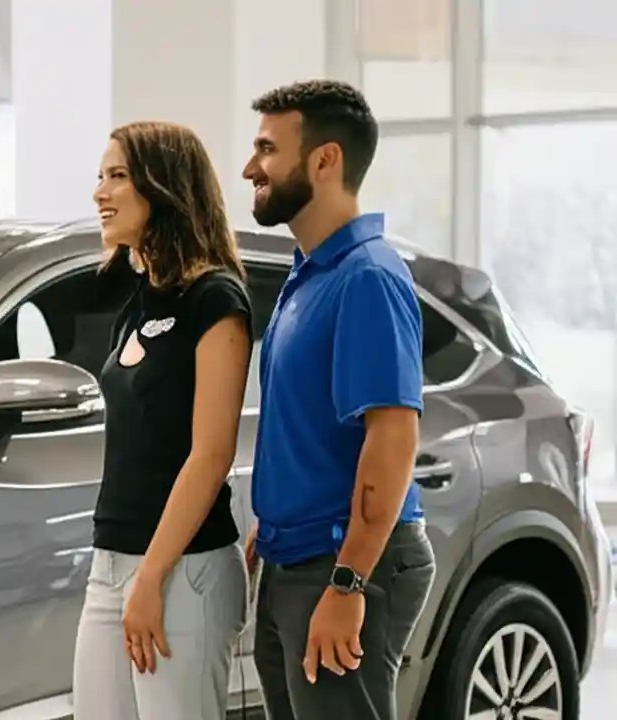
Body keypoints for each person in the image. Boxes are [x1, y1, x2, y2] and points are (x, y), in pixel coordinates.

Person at [241, 80, 437, 720]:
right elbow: (310, 426)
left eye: (267, 149)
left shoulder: (369, 277)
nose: (250, 168)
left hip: (345, 565)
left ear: (324, 160)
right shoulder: (310, 273)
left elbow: (393, 436)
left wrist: (349, 582)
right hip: (294, 560)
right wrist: (271, 525)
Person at [72, 120, 253, 719]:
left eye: (118, 176)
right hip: (112, 561)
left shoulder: (215, 301)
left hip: (184, 569)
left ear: (164, 185)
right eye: (100, 176)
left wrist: (152, 578)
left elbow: (209, 455)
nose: (100, 191)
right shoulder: (137, 301)